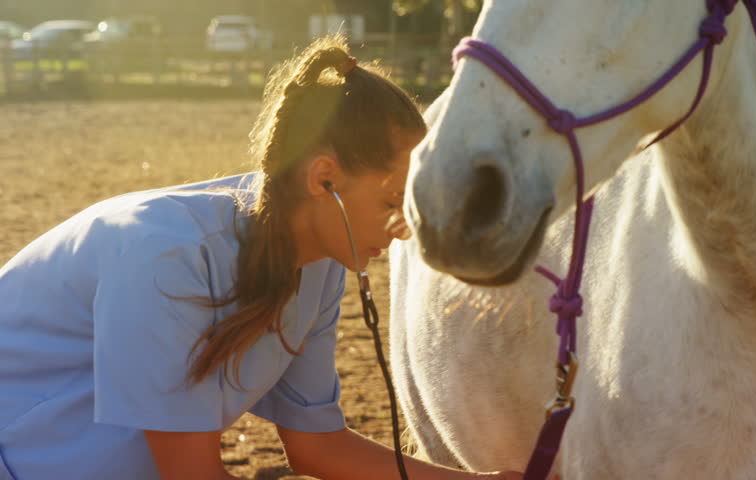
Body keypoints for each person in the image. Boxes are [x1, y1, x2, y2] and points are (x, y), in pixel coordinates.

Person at [0, 36, 522, 480]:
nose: (404, 230)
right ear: (324, 179)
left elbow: (318, 445)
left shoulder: (319, 264)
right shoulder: (165, 257)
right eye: (391, 202)